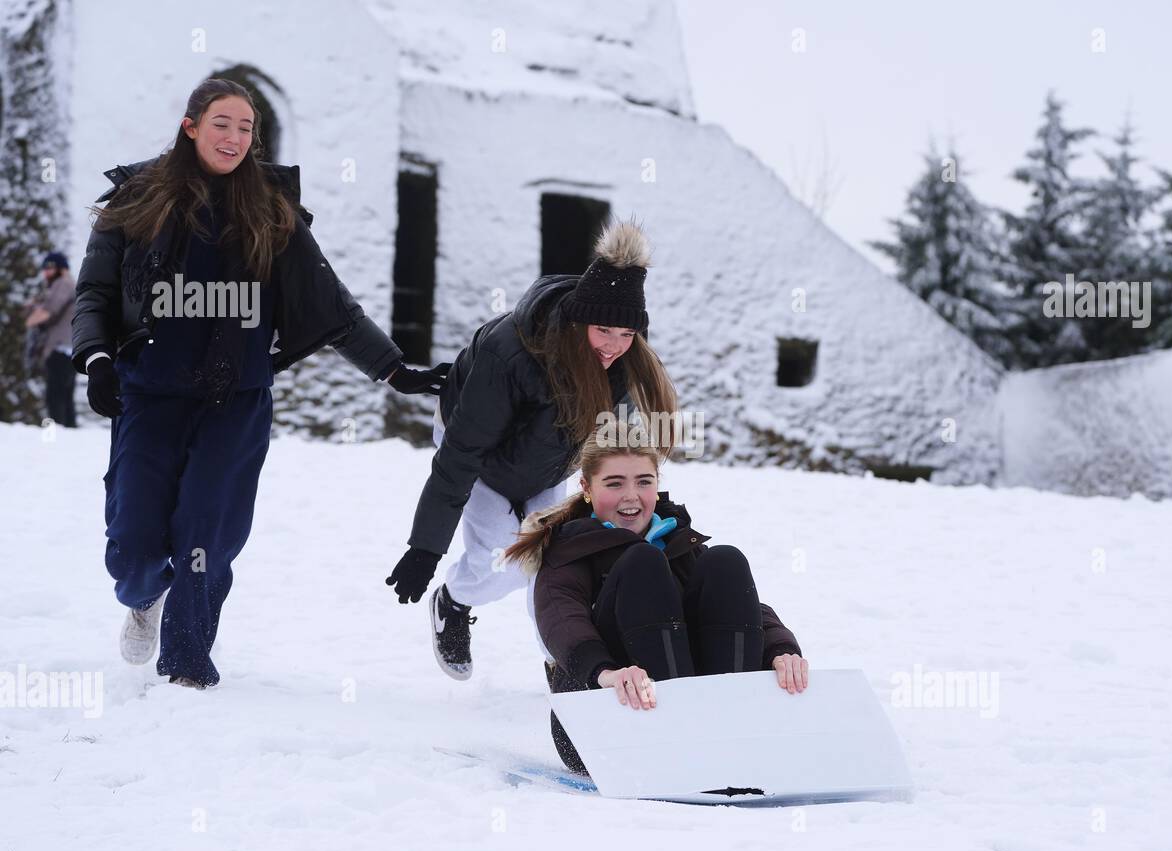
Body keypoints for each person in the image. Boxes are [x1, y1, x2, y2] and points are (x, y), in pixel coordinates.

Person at [71, 77, 444, 689]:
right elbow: (96, 292)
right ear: (190, 126)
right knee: (135, 546)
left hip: (233, 398)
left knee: (206, 531)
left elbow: (331, 304)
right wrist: (96, 358)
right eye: (222, 123)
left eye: (247, 128)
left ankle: (187, 659)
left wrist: (395, 369)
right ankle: (143, 599)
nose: (235, 137)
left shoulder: (271, 210)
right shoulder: (135, 199)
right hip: (151, 392)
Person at [387, 219, 680, 681]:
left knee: (553, 562)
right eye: (605, 330)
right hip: (481, 461)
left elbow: (612, 447)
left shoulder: (618, 364)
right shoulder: (513, 353)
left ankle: (562, 662)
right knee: (506, 556)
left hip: (544, 467)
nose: (614, 346)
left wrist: (640, 505)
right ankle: (453, 601)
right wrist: (426, 546)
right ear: (581, 316)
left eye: (627, 335)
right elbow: (461, 455)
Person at [503, 424, 809, 776]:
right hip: (597, 716)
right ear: (586, 488)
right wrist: (604, 672)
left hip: (706, 720)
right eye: (614, 483)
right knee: (642, 561)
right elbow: (562, 621)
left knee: (726, 560)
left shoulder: (677, 541)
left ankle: (732, 719)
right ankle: (676, 731)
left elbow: (749, 609)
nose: (631, 497)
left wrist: (781, 650)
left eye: (644, 482)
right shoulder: (568, 552)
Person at [24, 252, 78, 427]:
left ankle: (55, 437)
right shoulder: (67, 285)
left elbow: (49, 310)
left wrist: (30, 320)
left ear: (61, 269)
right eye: (45, 269)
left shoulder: (63, 283)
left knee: (54, 396)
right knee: (65, 396)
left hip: (60, 348)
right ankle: (69, 436)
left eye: (50, 268)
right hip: (68, 349)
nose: (46, 272)